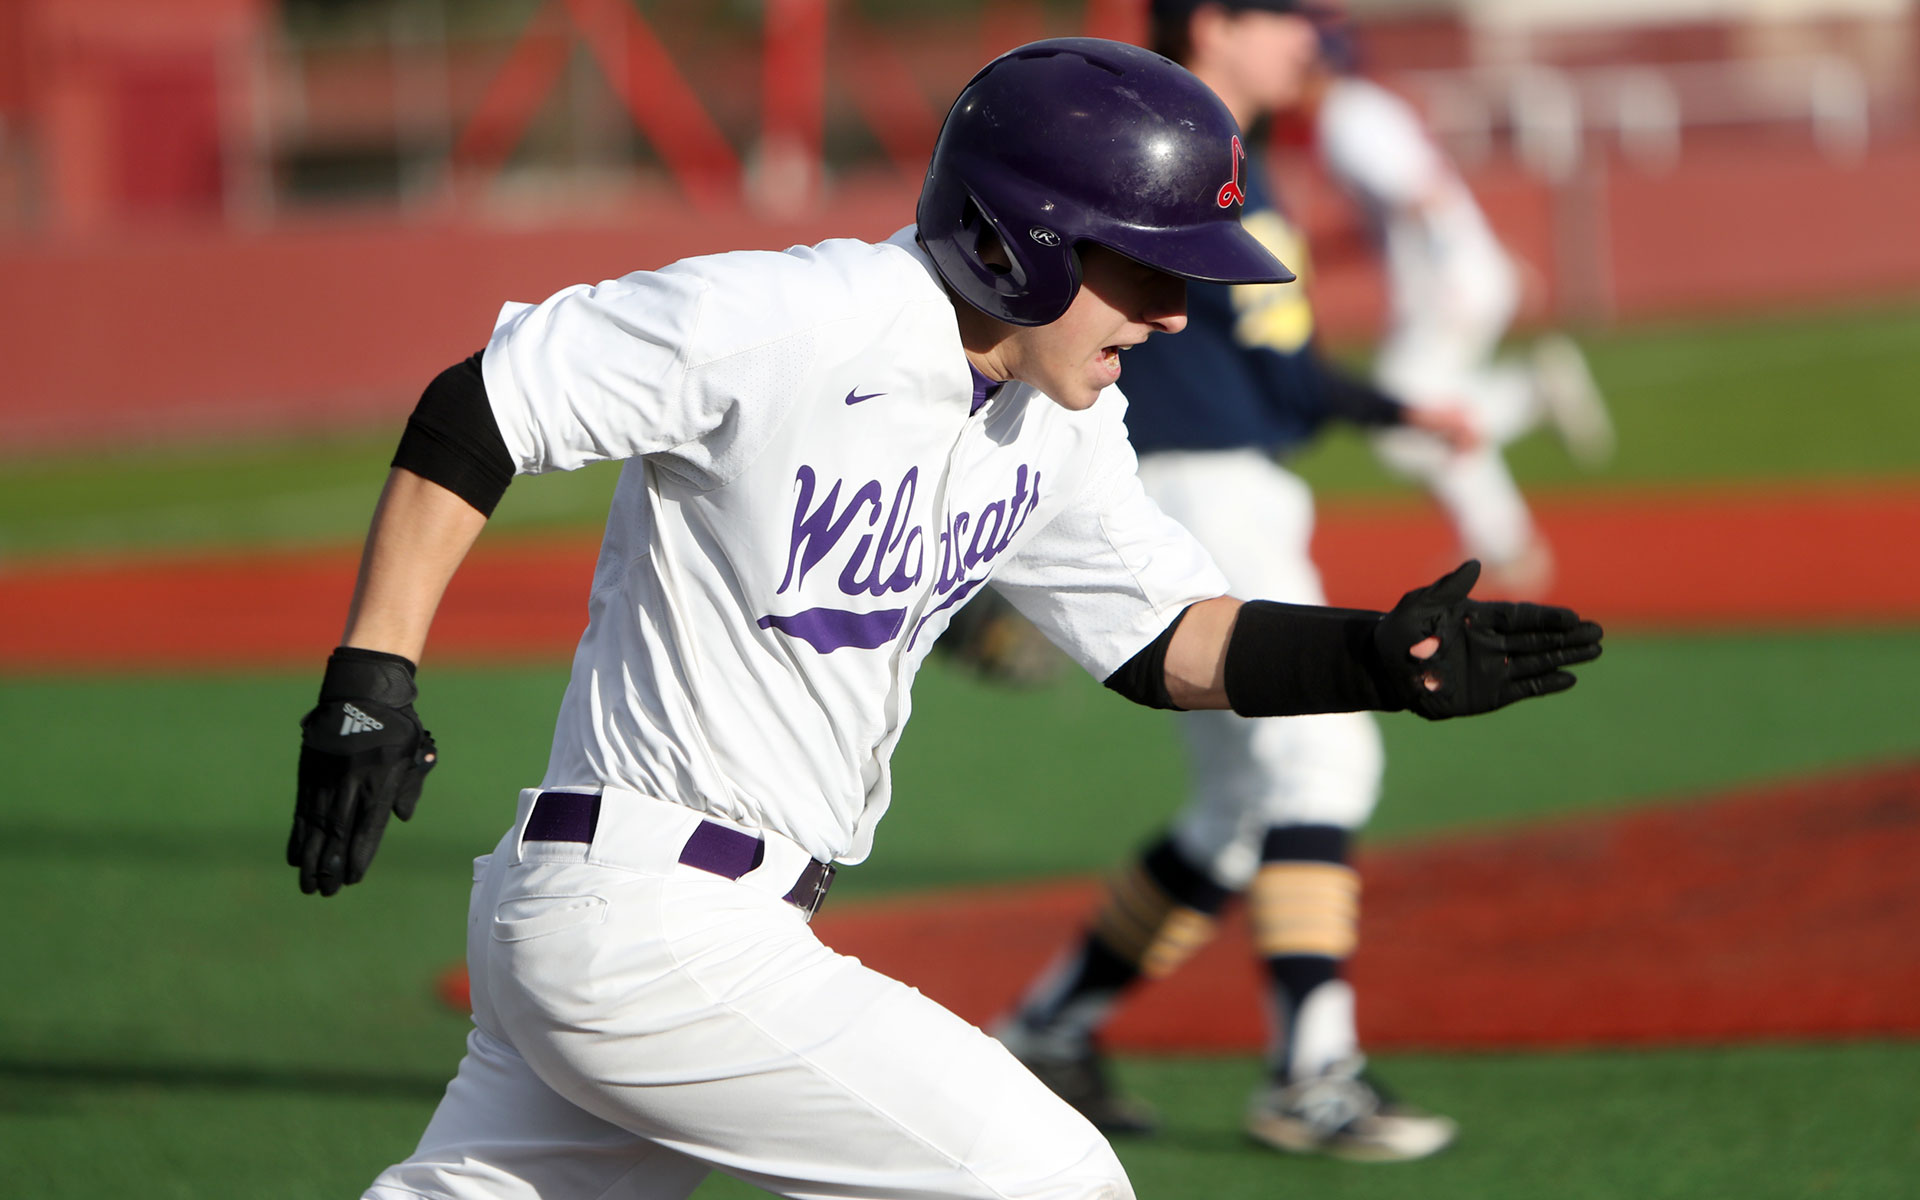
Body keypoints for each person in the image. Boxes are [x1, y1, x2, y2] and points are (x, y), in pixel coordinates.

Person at [287, 36, 1602, 1200]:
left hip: (677, 924)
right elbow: (488, 402)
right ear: (1015, 237)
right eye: (1144, 269)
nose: (1174, 311)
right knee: (1051, 1181)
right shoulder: (793, 317)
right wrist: (370, 682)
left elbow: (1167, 642)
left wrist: (1378, 657)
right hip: (644, 925)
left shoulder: (1058, 425)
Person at [991, 1, 1522, 1164]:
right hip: (1196, 490)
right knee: (1321, 757)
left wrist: (1394, 408)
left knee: (1237, 819)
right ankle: (1312, 1075)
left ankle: (1049, 1027)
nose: (1314, 41)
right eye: (1292, 16)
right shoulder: (1168, 154)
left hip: (1199, 480)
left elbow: (1280, 374)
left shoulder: (1210, 157)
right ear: (1217, 22)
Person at [1308, 9, 1615, 595]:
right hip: (1462, 273)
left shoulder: (1347, 119)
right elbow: (1419, 194)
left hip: (1445, 284)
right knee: (1429, 420)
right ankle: (1506, 546)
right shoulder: (1364, 109)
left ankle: (1528, 395)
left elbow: (1421, 194)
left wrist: (1458, 267)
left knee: (1402, 423)